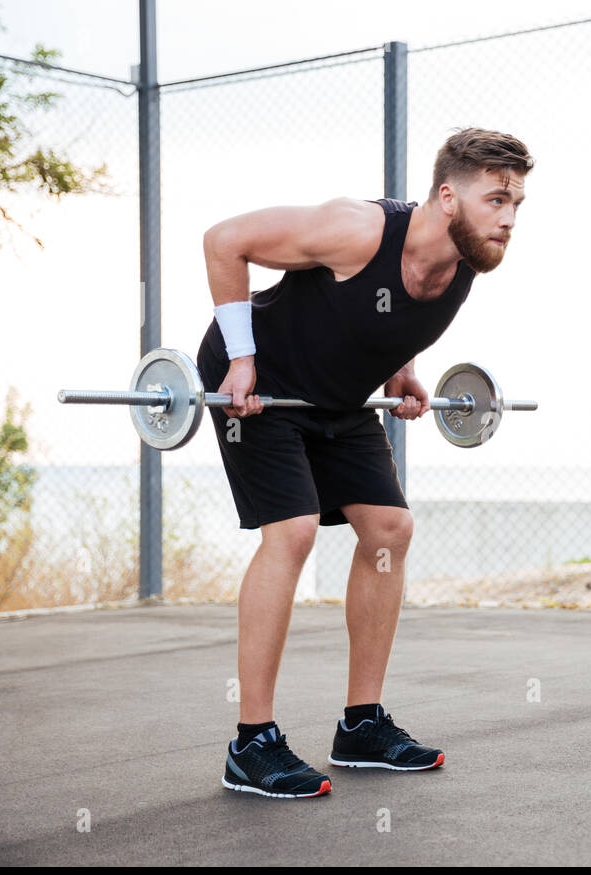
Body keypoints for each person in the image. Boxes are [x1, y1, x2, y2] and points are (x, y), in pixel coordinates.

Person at [197, 128, 533, 798]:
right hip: (264, 390)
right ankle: (251, 741)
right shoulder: (356, 230)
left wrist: (403, 370)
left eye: (518, 204)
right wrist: (240, 360)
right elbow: (222, 240)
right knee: (289, 532)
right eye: (497, 199)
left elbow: (386, 321)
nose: (508, 218)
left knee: (389, 529)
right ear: (446, 196)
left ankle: (361, 726)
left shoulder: (465, 261)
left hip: (341, 399)